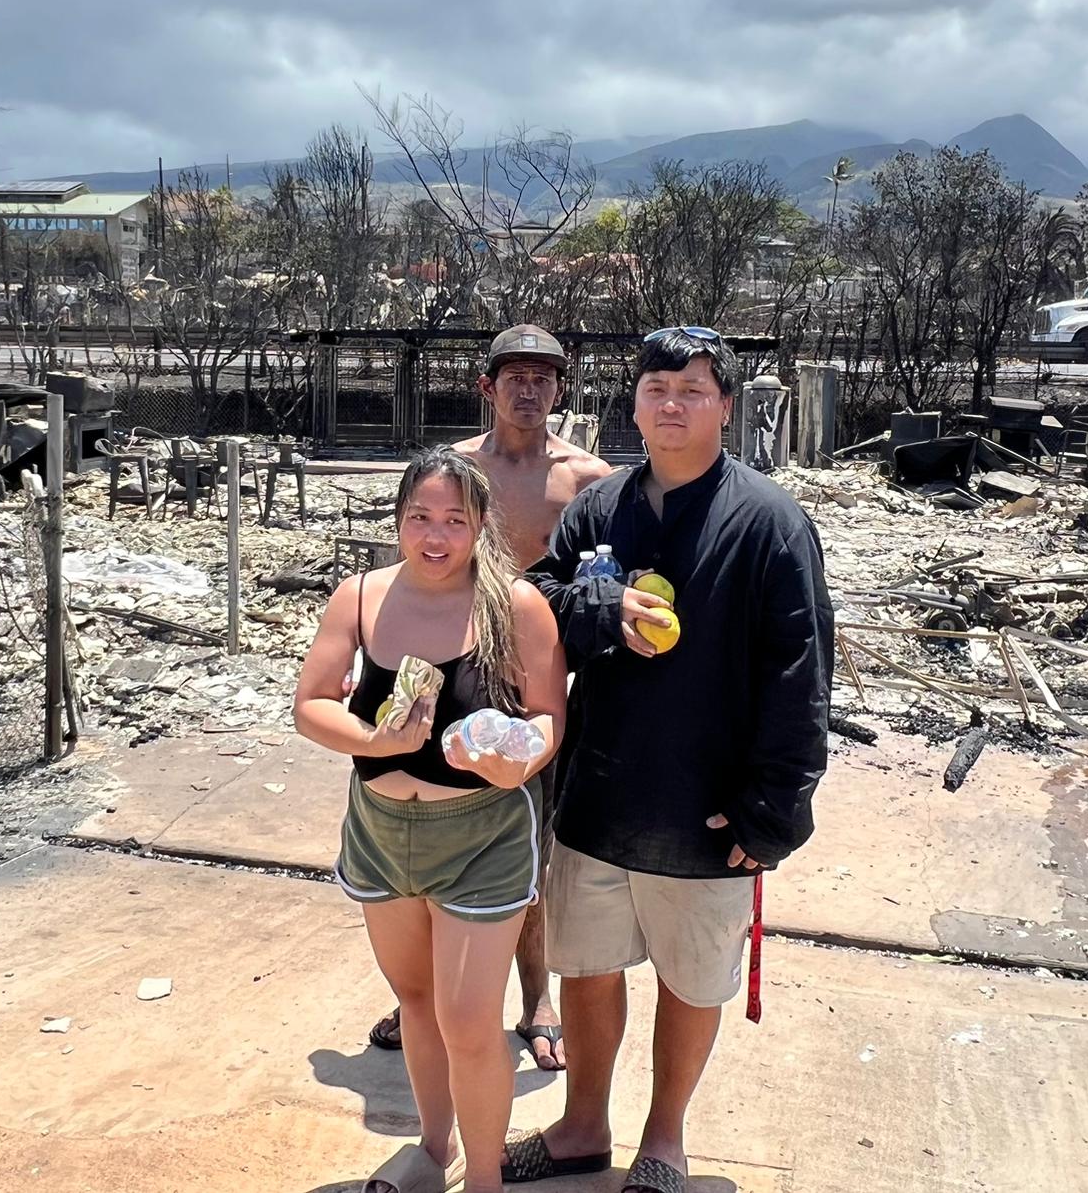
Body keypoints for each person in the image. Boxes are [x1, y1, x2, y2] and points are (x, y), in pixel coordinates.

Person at [503, 328, 832, 1192]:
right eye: (657, 388)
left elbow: (800, 675)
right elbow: (537, 600)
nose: (672, 404)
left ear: (726, 406)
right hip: (599, 791)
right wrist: (600, 608)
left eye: (692, 389)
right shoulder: (600, 508)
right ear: (636, 405)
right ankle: (581, 1127)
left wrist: (774, 810)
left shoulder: (769, 523)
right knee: (587, 966)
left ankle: (664, 1142)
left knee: (692, 978)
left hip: (708, 803)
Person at [295, 447, 568, 1193]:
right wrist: (374, 741)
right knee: (417, 1004)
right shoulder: (360, 596)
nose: (435, 536)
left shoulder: (515, 604)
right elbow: (312, 704)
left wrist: (515, 764)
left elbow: (548, 718)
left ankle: (484, 1179)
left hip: (483, 836)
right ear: (398, 521)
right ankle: (433, 1147)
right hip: (381, 833)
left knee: (469, 1021)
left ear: (480, 526)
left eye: (454, 520)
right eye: (420, 517)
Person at [368, 325, 611, 1072]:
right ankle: (425, 996)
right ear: (488, 387)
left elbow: (609, 584)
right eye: (515, 377)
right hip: (447, 677)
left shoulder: (589, 480)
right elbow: (412, 561)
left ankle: (536, 998)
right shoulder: (454, 473)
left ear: (560, 388)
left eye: (543, 377)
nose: (529, 390)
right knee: (423, 839)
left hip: (534, 689)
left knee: (528, 847)